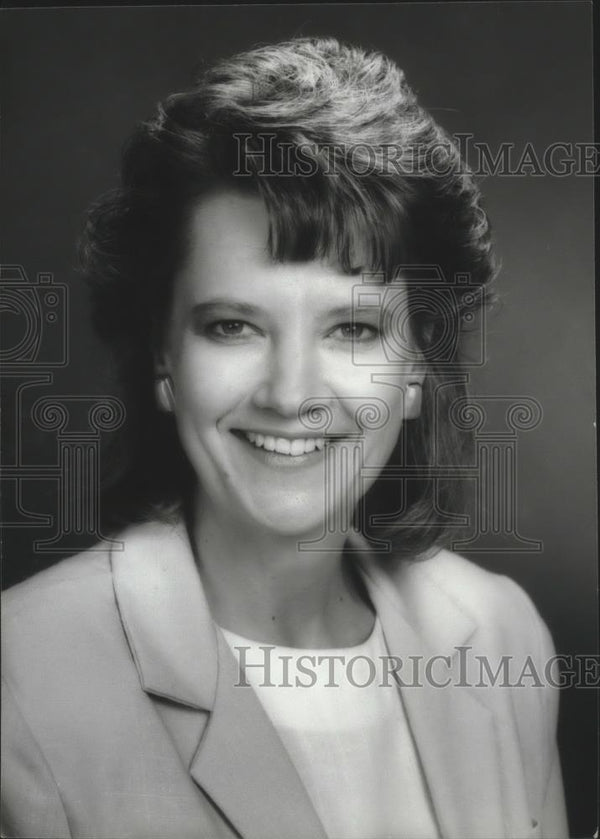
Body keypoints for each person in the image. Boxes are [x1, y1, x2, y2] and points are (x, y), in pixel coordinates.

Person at [1, 36, 568, 839]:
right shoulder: (22, 677)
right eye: (233, 325)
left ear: (419, 367)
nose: (291, 393)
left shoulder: (502, 635)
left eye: (353, 328)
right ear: (165, 356)